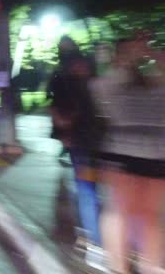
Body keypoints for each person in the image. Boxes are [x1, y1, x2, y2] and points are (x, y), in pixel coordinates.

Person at [95, 36, 165, 274]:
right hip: (124, 153)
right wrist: (131, 55)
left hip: (156, 154)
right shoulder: (111, 83)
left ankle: (151, 266)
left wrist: (150, 51)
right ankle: (118, 267)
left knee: (150, 216)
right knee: (119, 212)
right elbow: (103, 87)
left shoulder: (157, 83)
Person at [47, 36, 105, 268]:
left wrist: (63, 126)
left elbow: (51, 104)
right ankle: (96, 242)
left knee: (89, 190)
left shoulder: (63, 74)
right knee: (88, 190)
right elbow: (53, 104)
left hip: (90, 140)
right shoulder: (73, 74)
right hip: (87, 139)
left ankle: (96, 241)